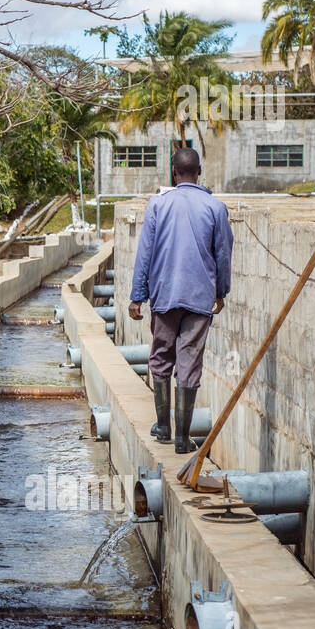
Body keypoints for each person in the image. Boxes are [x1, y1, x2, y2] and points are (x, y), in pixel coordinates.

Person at [128, 148, 233, 454]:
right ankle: (182, 438)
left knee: (160, 357)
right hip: (199, 299)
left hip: (164, 296)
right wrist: (220, 292)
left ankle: (163, 427)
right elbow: (223, 255)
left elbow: (144, 253)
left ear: (174, 173)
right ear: (199, 172)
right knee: (189, 363)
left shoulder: (158, 204)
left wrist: (137, 296)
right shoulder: (215, 207)